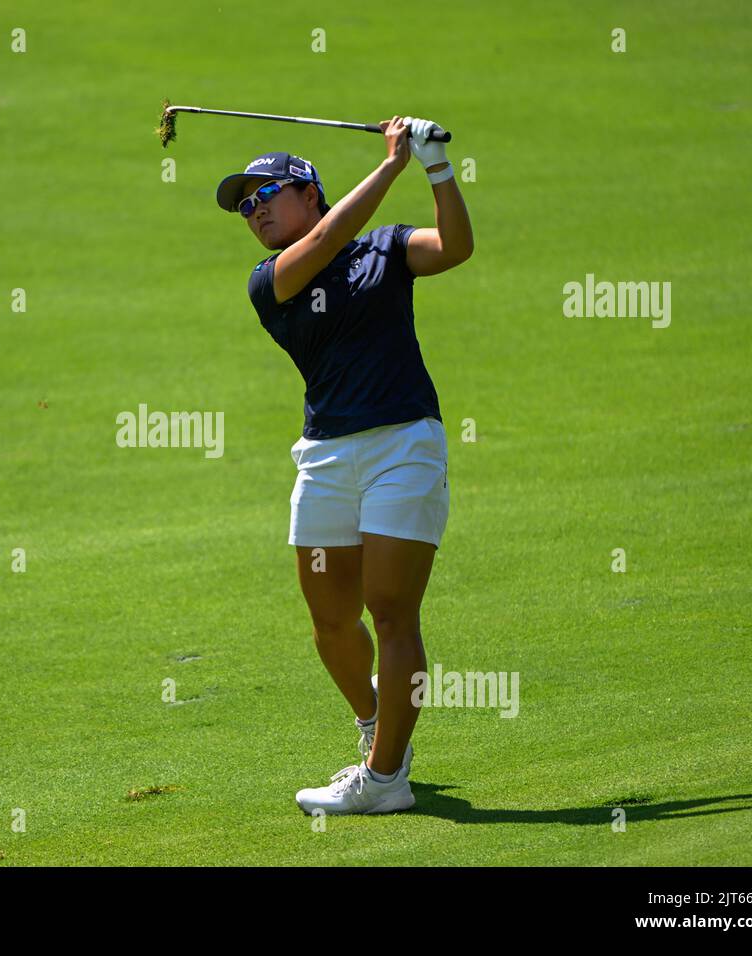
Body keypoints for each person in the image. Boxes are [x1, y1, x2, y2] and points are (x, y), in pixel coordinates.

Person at [215, 116, 474, 814]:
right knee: (330, 619)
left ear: (311, 191)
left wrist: (437, 167)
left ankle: (386, 780)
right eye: (245, 205)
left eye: (267, 191)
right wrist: (393, 164)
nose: (255, 209)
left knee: (392, 614)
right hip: (326, 456)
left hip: (402, 448)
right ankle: (377, 728)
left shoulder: (386, 252)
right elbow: (327, 240)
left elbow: (455, 246)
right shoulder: (269, 281)